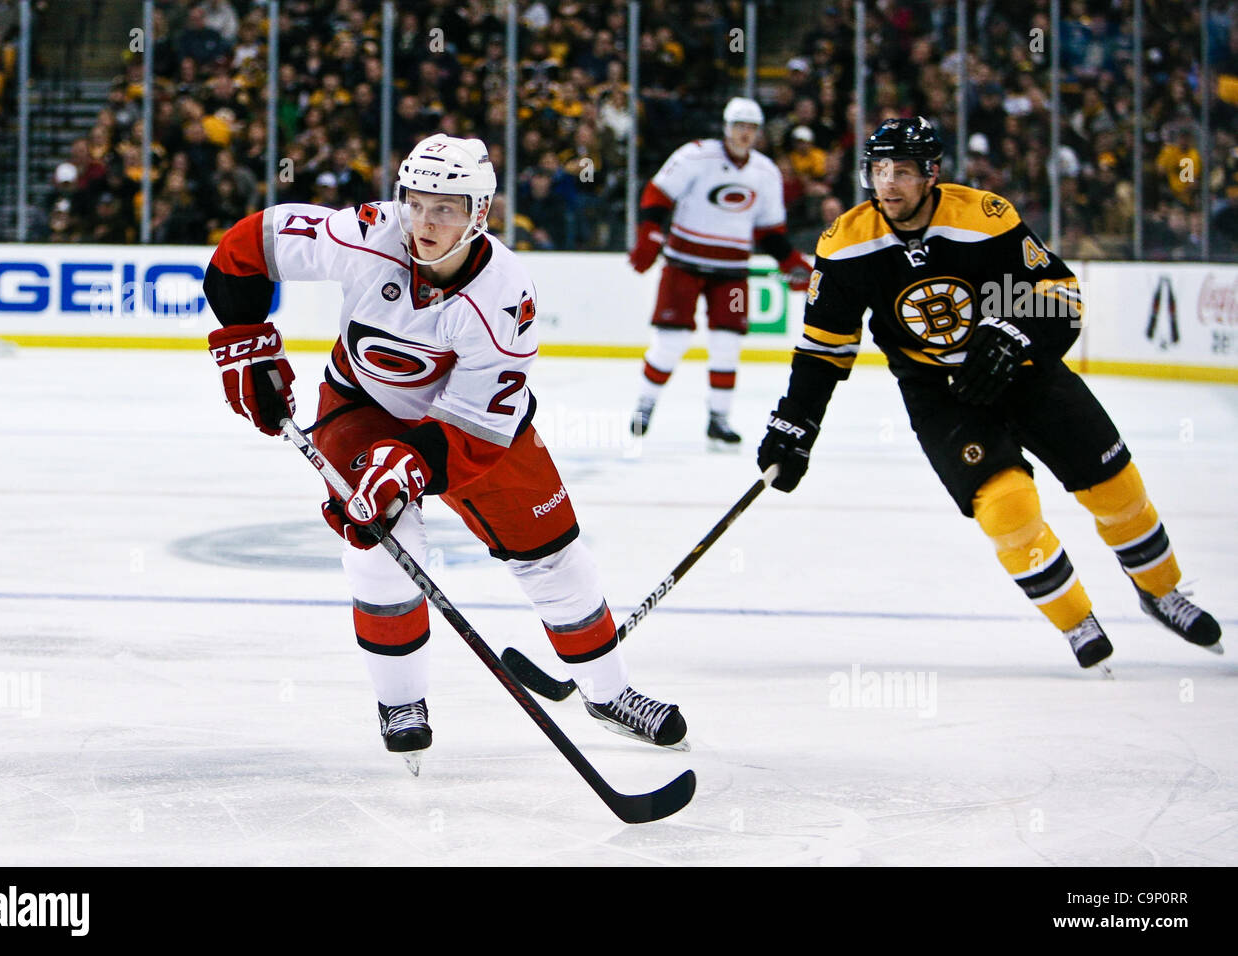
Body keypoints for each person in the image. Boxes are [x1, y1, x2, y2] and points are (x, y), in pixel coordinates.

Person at [202, 133, 687, 764]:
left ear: (479, 213)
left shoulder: (505, 297)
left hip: (475, 432)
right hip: (360, 409)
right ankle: (400, 699)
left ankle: (608, 692)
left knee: (558, 561)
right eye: (417, 202)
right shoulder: (368, 234)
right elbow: (247, 246)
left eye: (446, 208)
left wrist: (411, 464)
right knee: (381, 538)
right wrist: (245, 338)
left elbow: (477, 430)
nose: (425, 223)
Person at [757, 117, 1222, 669]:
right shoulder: (845, 245)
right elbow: (823, 351)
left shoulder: (983, 217)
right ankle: (1076, 619)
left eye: (901, 171)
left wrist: (1013, 335)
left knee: (1115, 485)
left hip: (1023, 371)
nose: (887, 185)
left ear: (931, 174)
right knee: (1006, 505)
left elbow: (1060, 294)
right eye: (878, 170)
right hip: (939, 395)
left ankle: (1161, 591)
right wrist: (795, 424)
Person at [627, 97, 813, 449]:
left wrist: (789, 260)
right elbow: (658, 192)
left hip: (732, 272)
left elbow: (769, 230)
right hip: (683, 263)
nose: (744, 134)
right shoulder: (696, 156)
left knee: (727, 345)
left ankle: (719, 419)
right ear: (726, 128)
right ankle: (645, 405)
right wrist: (649, 232)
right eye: (739, 126)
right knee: (671, 342)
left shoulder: (766, 172)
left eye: (751, 128)